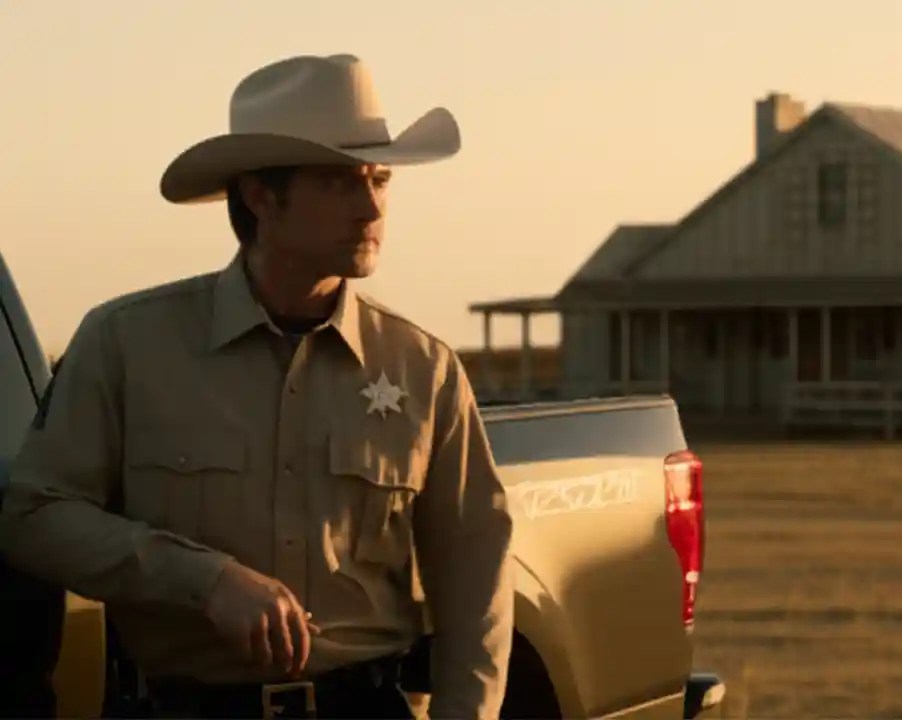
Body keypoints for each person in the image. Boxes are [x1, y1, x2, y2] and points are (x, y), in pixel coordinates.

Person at [0, 53, 515, 719]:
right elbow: (34, 519)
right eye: (339, 181)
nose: (371, 206)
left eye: (380, 178)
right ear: (260, 195)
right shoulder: (126, 345)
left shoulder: (424, 367)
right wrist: (202, 578)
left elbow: (477, 570)